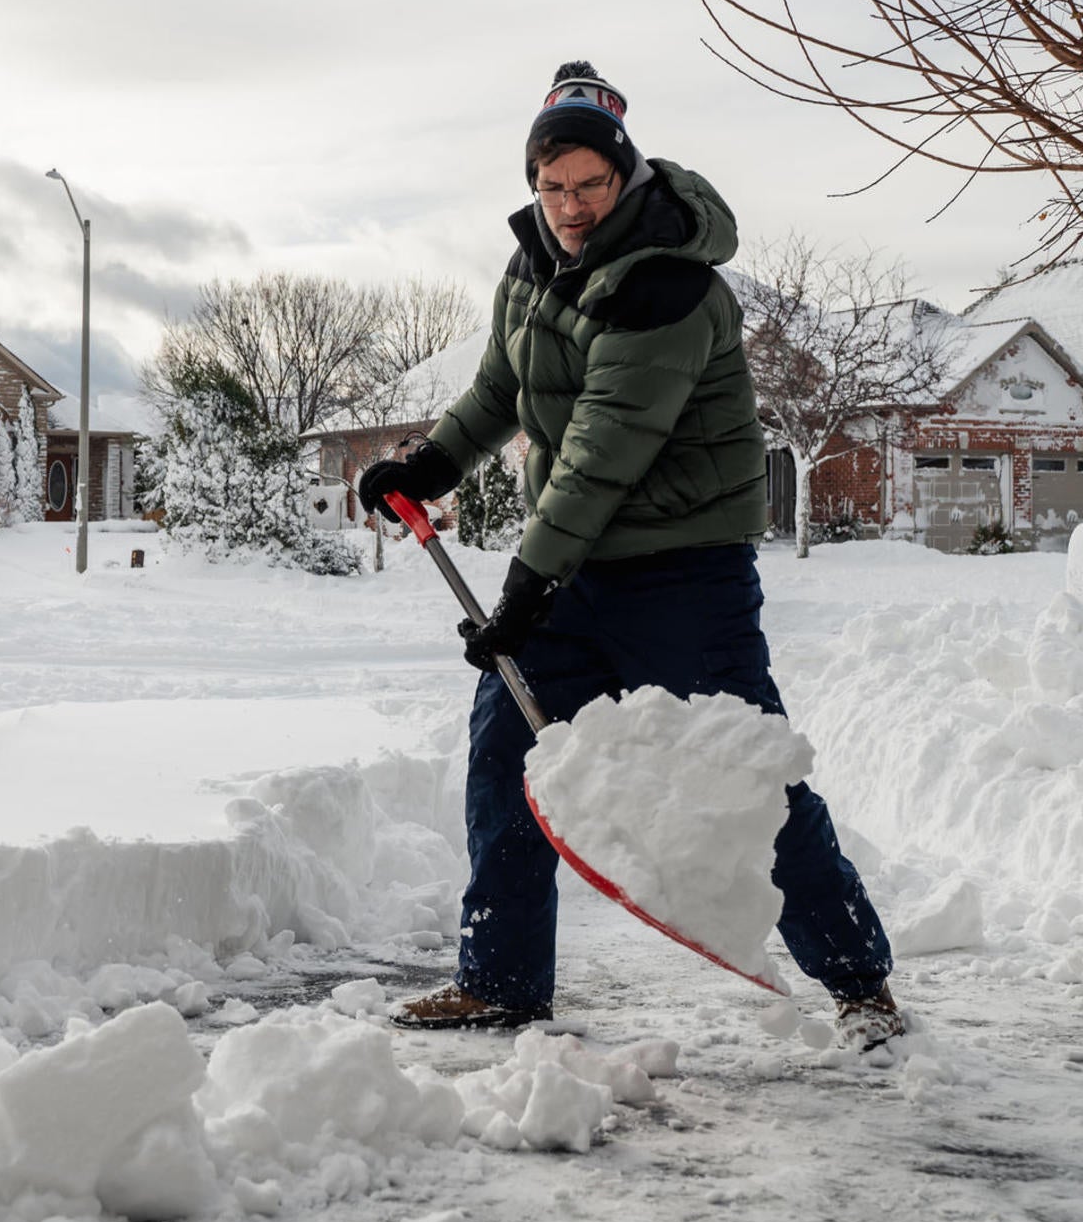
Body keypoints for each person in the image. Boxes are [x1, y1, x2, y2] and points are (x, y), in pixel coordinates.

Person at [358, 60, 903, 1051]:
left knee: (746, 781)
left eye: (589, 184)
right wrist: (428, 463)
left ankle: (859, 982)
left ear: (628, 177)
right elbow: (499, 392)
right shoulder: (530, 271)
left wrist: (525, 582)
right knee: (503, 764)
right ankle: (501, 978)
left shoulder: (668, 282)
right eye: (550, 186)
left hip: (680, 578)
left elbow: (607, 443)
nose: (568, 206)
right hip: (572, 573)